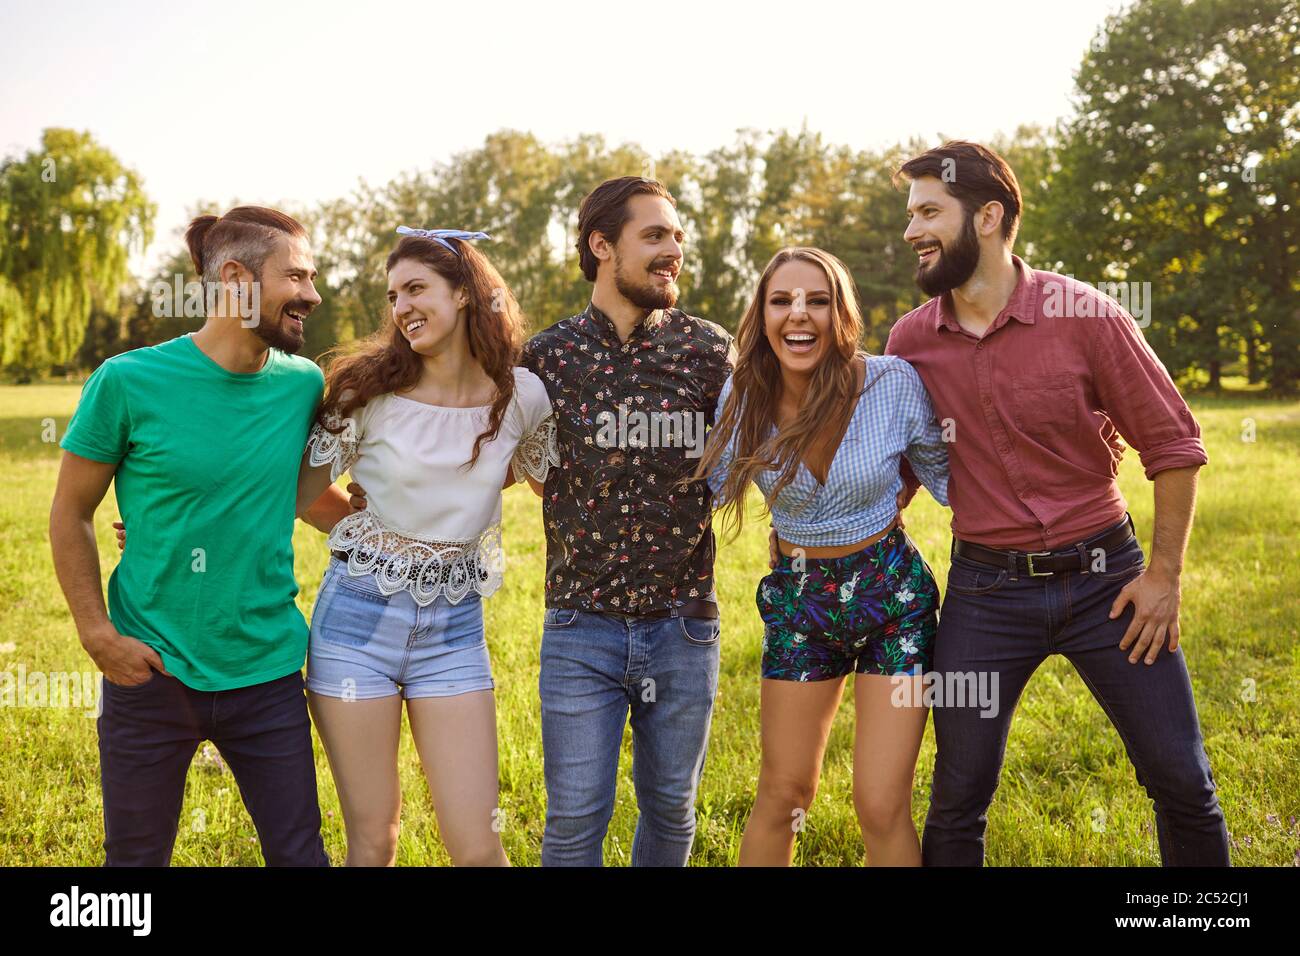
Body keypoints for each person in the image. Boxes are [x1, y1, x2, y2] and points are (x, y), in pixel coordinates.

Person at [885, 140, 1229, 865]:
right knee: (957, 795)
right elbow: (897, 473)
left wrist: (1163, 578)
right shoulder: (911, 342)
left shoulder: (1087, 315)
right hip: (986, 593)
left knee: (1181, 778)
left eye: (927, 212)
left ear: (987, 216)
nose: (911, 231)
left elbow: (1174, 448)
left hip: (1109, 584)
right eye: (909, 214)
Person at [49, 206, 356, 866]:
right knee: (133, 862)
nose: (312, 293)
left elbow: (301, 497)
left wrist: (412, 532)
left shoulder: (303, 385)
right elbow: (71, 511)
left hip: (268, 671)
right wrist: (98, 635)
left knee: (300, 855)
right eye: (296, 276)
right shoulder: (128, 381)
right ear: (238, 278)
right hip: (149, 672)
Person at [294, 227, 557, 866]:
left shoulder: (522, 395)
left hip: (453, 634)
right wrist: (374, 533)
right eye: (392, 296)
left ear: (466, 293)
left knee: (477, 844)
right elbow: (301, 494)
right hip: (356, 625)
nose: (401, 307)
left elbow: (551, 485)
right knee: (373, 839)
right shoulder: (367, 391)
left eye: (416, 288)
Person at [698, 246, 949, 866]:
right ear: (762, 315)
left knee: (880, 804)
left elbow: (957, 484)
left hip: (893, 603)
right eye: (781, 301)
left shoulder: (892, 383)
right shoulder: (743, 395)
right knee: (784, 795)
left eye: (817, 300)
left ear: (841, 312)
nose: (798, 315)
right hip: (801, 603)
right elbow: (705, 488)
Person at [520, 177, 734, 866]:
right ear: (601, 245)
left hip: (683, 624)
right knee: (576, 815)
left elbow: (750, 456)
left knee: (671, 807)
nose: (674, 250)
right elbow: (521, 461)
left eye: (677, 237)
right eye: (656, 236)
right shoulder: (546, 358)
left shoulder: (709, 352)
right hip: (580, 626)